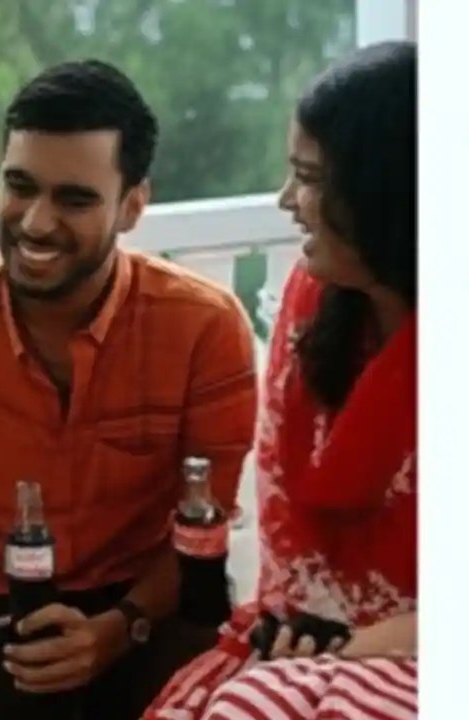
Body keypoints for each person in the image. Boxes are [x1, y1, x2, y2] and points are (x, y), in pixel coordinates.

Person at [0, 59, 260, 720]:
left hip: (148, 597)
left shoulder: (204, 328)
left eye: (74, 198)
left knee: (209, 688)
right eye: (19, 186)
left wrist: (120, 627)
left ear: (133, 205)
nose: (36, 223)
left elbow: (203, 527)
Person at [143, 40, 417, 720]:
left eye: (311, 178)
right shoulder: (313, 302)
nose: (287, 200)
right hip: (298, 635)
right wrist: (308, 649)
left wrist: (351, 652)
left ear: (387, 191)